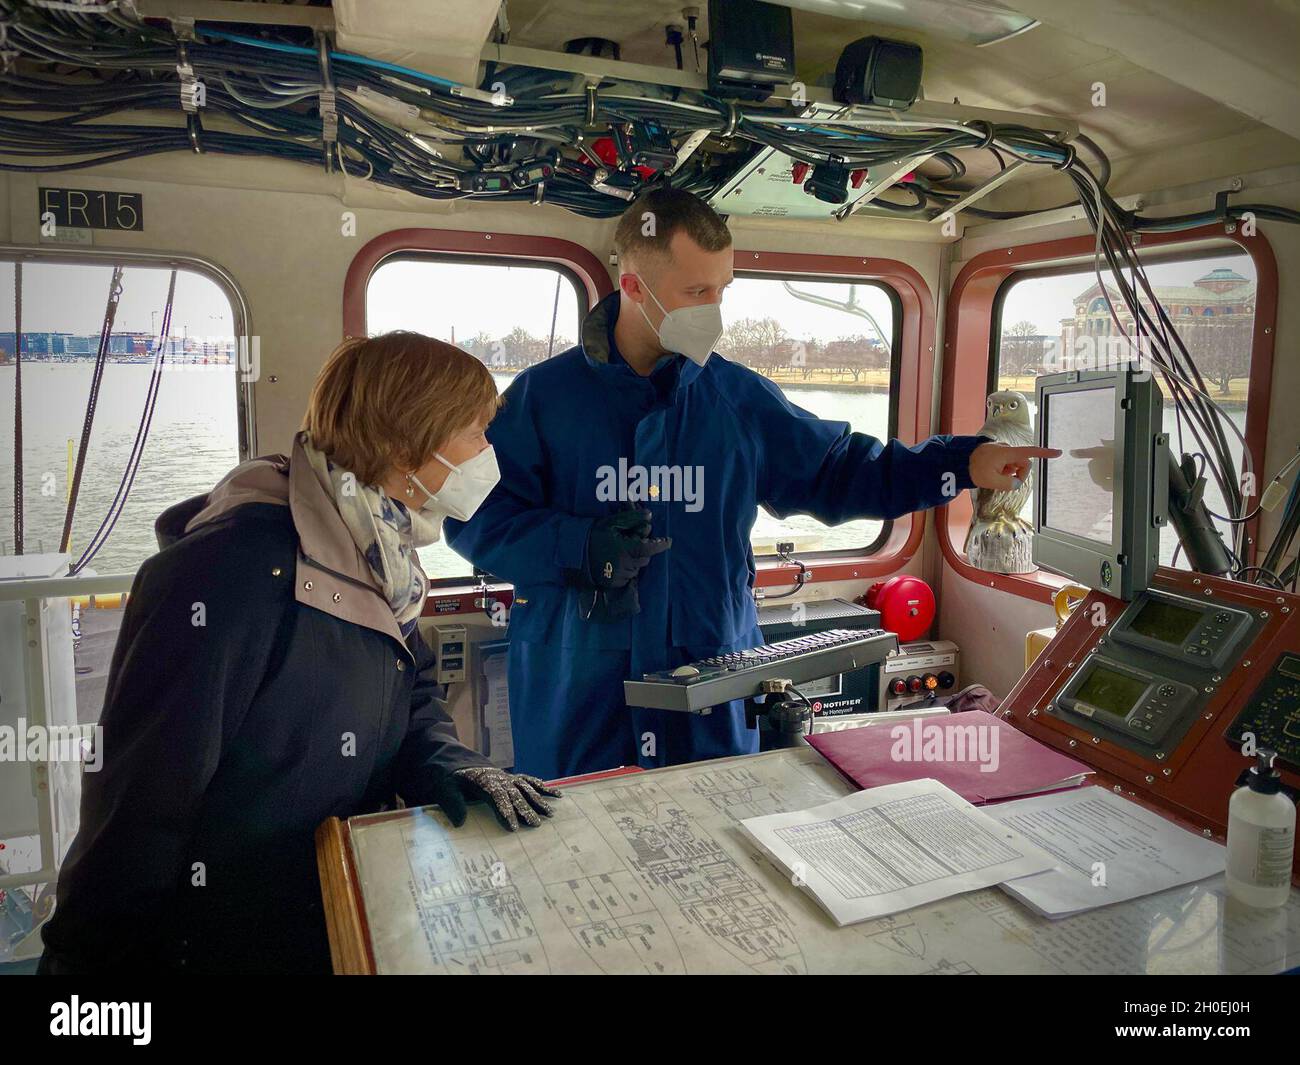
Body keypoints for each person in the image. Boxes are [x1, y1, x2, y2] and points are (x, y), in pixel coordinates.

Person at [446, 188, 1056, 780]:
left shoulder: (735, 398)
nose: (714, 309)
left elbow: (841, 470)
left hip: (712, 681)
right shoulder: (542, 399)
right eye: (695, 291)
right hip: (578, 692)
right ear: (632, 288)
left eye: (722, 289)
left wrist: (959, 464)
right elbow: (474, 517)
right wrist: (576, 547)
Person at [38, 332, 558, 975]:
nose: (489, 453)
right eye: (476, 434)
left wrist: (449, 765)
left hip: (333, 903)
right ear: (403, 449)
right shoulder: (226, 572)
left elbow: (412, 690)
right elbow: (140, 804)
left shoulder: (381, 552)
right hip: (224, 940)